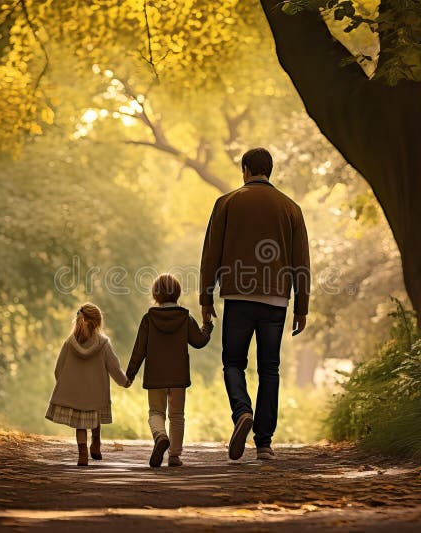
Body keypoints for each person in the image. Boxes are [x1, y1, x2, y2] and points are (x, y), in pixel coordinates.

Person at [199, 147, 311, 461]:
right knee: (269, 369)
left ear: (246, 169)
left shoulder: (226, 203)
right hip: (275, 300)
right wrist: (302, 306)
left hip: (236, 296)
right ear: (269, 171)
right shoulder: (291, 208)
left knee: (233, 363)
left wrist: (205, 298)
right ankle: (264, 443)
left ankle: (241, 412)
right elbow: (301, 261)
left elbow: (211, 255)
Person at [127, 274, 214, 467]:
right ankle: (174, 455)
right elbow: (199, 341)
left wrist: (130, 374)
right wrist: (207, 326)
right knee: (177, 416)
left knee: (156, 412)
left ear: (155, 294)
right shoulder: (185, 317)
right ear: (177, 293)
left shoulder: (148, 318)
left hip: (155, 376)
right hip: (178, 377)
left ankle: (160, 436)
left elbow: (139, 350)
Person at [46, 302, 130, 466]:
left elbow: (58, 370)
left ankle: (82, 455)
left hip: (77, 395)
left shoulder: (69, 343)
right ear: (98, 322)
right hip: (97, 394)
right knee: (94, 416)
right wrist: (124, 382)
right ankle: (96, 443)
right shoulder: (103, 344)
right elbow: (114, 367)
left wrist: (69, 387)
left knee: (80, 425)